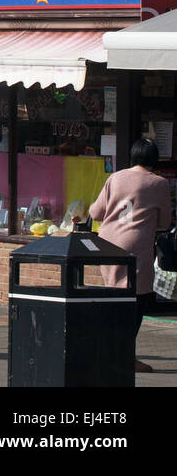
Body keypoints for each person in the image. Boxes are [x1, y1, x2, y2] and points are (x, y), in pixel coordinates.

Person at [89, 137, 173, 373]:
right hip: (135, 246)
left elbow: (95, 212)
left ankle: (107, 352)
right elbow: (165, 222)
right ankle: (124, 356)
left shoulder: (115, 177)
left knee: (114, 297)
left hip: (106, 243)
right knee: (136, 300)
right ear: (155, 159)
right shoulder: (158, 183)